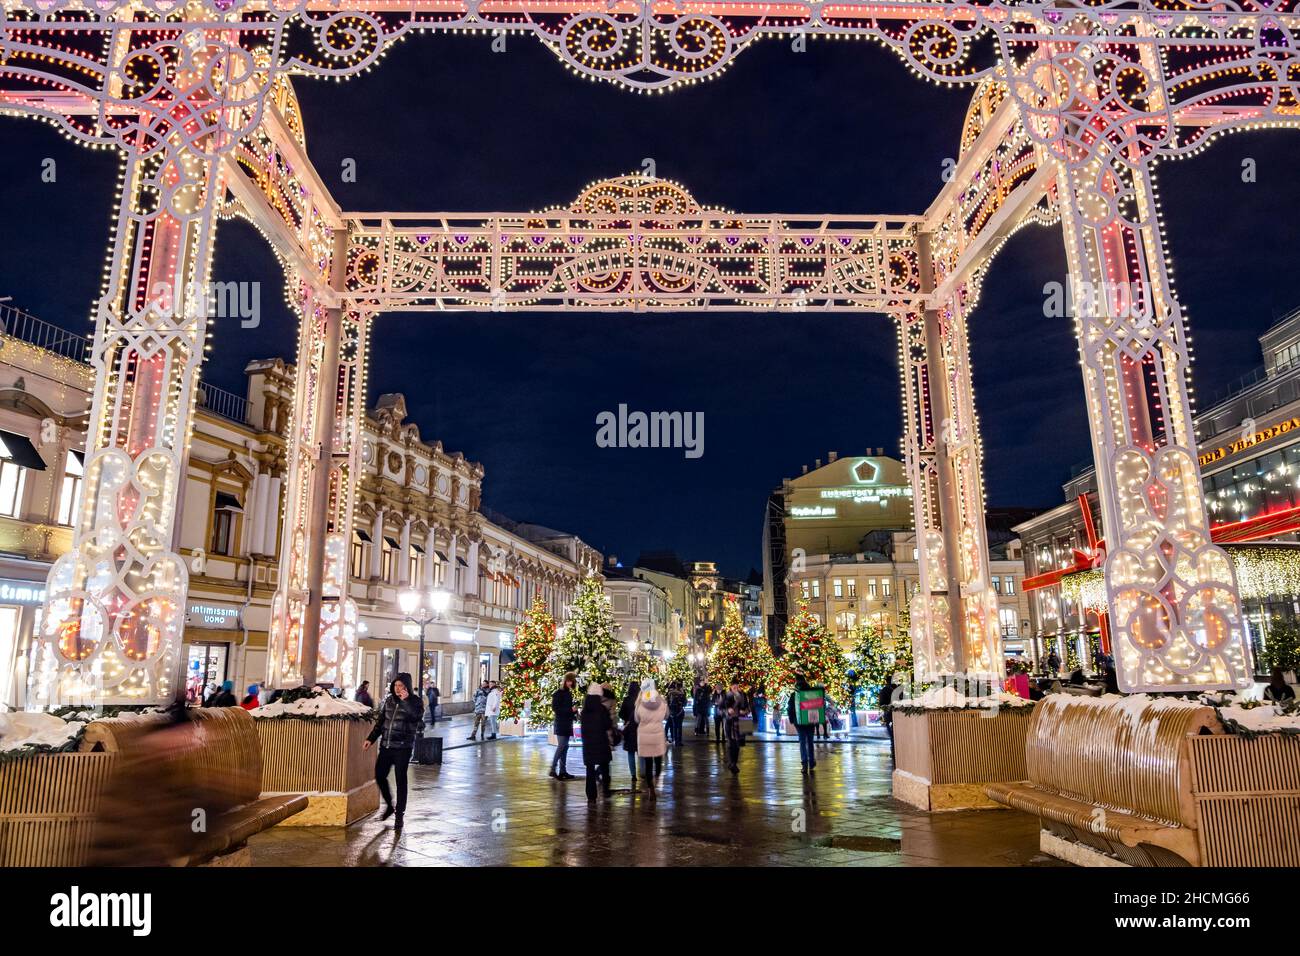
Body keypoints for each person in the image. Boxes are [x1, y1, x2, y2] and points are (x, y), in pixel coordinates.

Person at [363, 672, 424, 829]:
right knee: (379, 775)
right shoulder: (389, 701)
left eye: (401, 686)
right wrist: (371, 738)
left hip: (403, 748)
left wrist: (405, 702)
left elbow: (416, 718)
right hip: (386, 746)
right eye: (396, 686)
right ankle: (390, 805)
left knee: (400, 780)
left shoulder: (415, 702)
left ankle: (399, 815)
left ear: (407, 687)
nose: (398, 689)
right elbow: (381, 722)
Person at [580, 684, 614, 802]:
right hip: (601, 742)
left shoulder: (584, 711)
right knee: (605, 766)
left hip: (588, 744)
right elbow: (607, 724)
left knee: (589, 770)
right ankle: (605, 790)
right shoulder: (602, 709)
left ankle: (591, 796)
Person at [635, 679, 668, 798]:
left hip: (644, 735)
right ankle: (657, 777)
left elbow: (636, 719)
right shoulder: (661, 701)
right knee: (658, 761)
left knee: (648, 764)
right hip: (657, 734)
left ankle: (650, 788)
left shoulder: (639, 702)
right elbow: (666, 715)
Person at [789, 673, 820, 773]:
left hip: (799, 722)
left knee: (802, 742)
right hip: (810, 721)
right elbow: (817, 707)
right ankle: (811, 762)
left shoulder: (795, 695)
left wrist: (791, 719)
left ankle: (804, 763)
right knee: (810, 741)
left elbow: (790, 708)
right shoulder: (811, 693)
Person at [550, 672, 578, 779]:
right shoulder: (558, 693)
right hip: (561, 723)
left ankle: (562, 771)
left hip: (567, 723)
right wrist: (570, 710)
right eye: (569, 681)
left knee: (565, 747)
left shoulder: (568, 693)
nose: (570, 683)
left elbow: (565, 710)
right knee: (561, 746)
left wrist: (573, 712)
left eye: (571, 681)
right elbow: (556, 709)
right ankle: (553, 769)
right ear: (565, 681)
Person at [722, 680, 750, 773]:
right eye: (734, 687)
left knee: (738, 744)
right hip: (730, 721)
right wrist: (727, 710)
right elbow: (720, 708)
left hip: (742, 721)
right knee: (731, 743)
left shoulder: (743, 695)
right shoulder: (726, 696)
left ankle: (734, 763)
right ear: (730, 687)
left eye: (737, 687)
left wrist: (745, 711)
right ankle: (732, 763)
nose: (736, 689)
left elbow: (748, 707)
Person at [619, 681, 641, 790]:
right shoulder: (641, 700)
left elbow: (621, 714)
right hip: (640, 728)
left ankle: (633, 775)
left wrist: (627, 719)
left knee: (631, 752)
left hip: (629, 728)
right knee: (641, 751)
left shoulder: (626, 700)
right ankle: (643, 771)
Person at [878, 673, 896, 765]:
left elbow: (882, 704)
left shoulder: (884, 690)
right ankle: (896, 754)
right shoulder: (899, 689)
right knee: (896, 737)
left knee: (893, 738)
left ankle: (894, 754)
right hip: (898, 716)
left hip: (890, 717)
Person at [666, 681, 687, 745]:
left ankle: (675, 740)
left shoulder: (670, 693)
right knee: (679, 726)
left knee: (674, 726)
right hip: (680, 711)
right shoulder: (681, 694)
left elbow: (667, 702)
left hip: (672, 711)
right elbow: (685, 703)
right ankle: (679, 741)